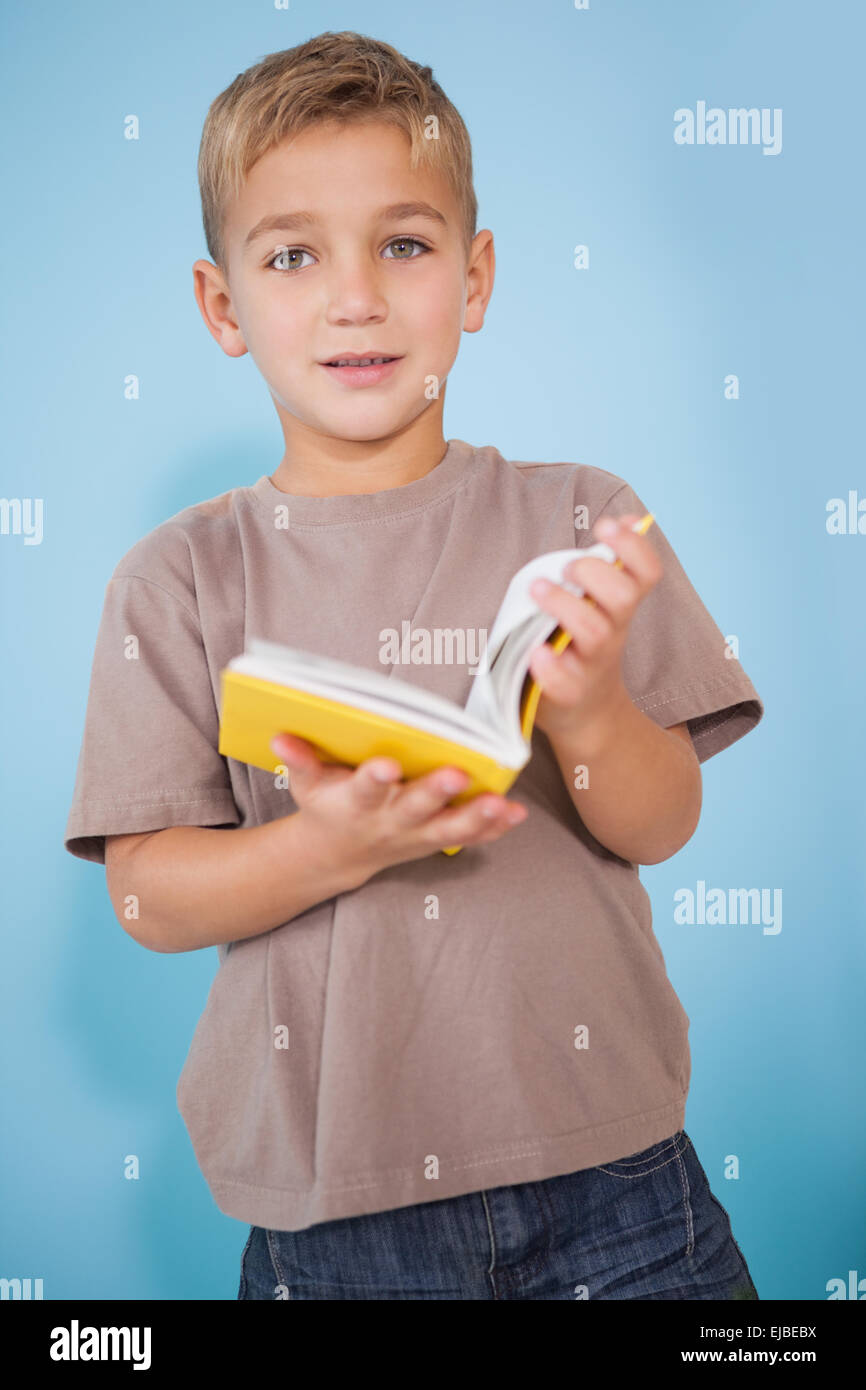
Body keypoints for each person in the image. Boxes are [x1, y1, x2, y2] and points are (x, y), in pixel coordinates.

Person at [64, 31, 764, 1300]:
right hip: (336, 1226)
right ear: (223, 307)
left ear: (474, 276)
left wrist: (595, 706)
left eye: (403, 243)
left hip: (613, 1177)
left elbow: (661, 823)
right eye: (291, 255)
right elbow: (146, 896)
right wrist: (327, 846)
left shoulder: (580, 518)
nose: (355, 297)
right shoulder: (175, 579)